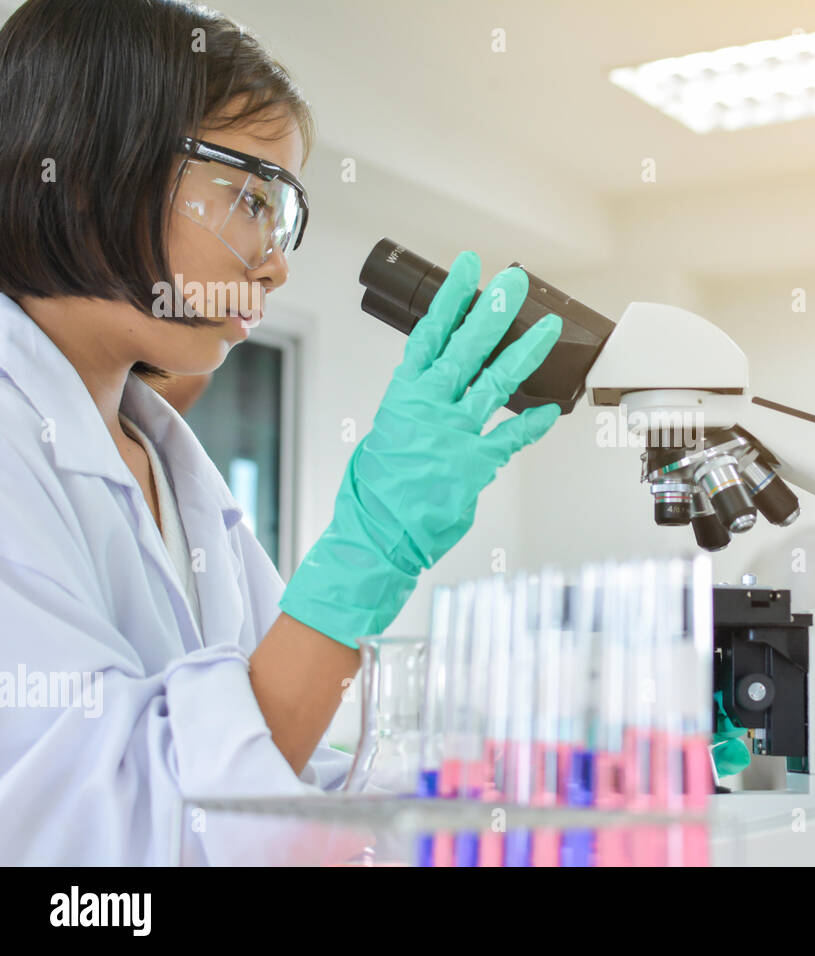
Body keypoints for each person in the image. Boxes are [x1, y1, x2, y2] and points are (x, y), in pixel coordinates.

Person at [0, 0, 562, 864]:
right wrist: (369, 547)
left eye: (283, 212)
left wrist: (506, 811)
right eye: (252, 199)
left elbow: (287, 772)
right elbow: (111, 841)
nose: (277, 259)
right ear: (82, 174)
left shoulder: (168, 467)